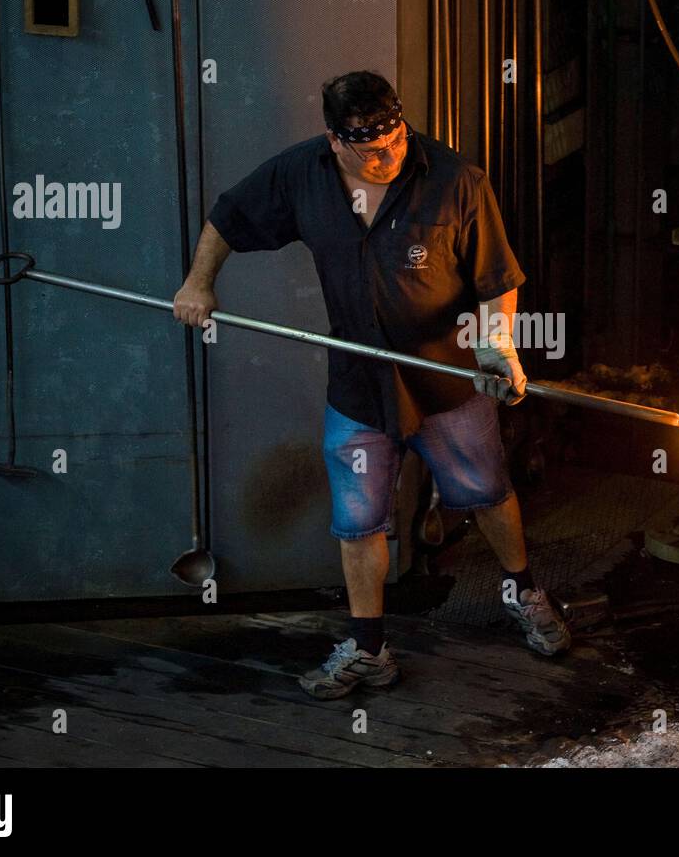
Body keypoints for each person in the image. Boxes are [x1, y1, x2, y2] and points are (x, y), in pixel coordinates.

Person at [172, 70, 571, 700]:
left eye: (395, 141)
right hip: (358, 383)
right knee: (358, 521)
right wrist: (199, 283)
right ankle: (368, 649)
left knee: (488, 490)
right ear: (335, 141)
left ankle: (524, 594)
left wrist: (499, 342)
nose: (388, 156)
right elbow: (228, 217)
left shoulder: (454, 179)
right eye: (371, 149)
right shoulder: (301, 173)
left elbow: (495, 275)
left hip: (444, 377)